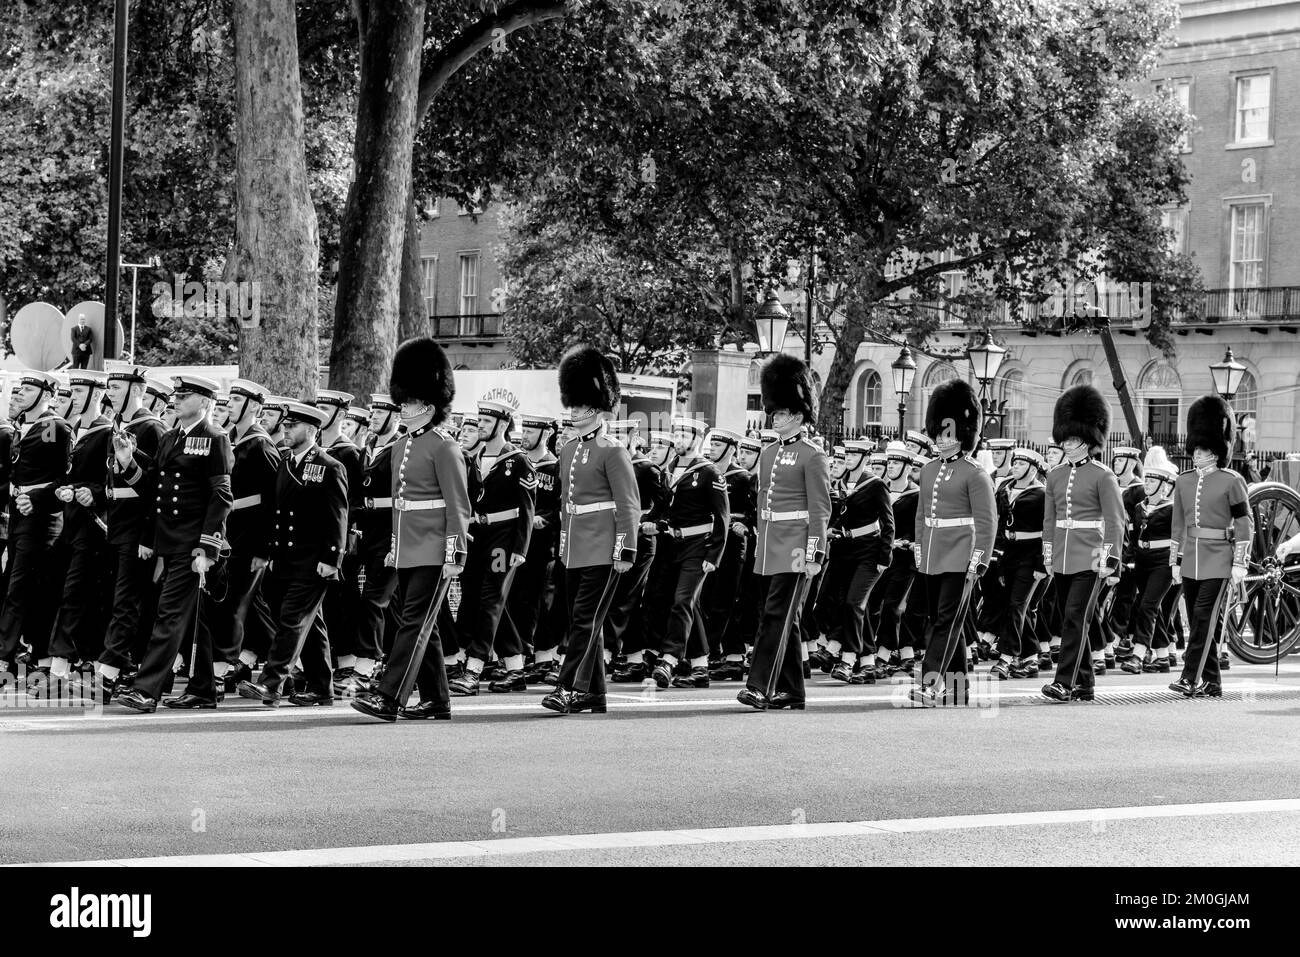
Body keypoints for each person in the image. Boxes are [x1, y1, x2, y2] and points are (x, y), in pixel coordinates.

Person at [352, 338, 469, 721]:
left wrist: (455, 553)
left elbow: (457, 506)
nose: (402, 407)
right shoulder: (403, 445)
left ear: (430, 406)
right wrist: (395, 546)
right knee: (423, 626)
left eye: (409, 402)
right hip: (408, 548)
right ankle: (437, 699)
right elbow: (402, 505)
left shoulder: (444, 447)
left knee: (414, 622)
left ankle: (390, 696)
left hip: (436, 548)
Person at [115, 374, 234, 713]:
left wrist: (207, 547)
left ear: (205, 402)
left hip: (192, 543)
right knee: (192, 619)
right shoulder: (170, 438)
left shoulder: (214, 437)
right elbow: (152, 487)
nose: (176, 399)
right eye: (176, 395)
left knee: (168, 616)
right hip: (170, 541)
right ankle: (203, 690)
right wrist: (127, 461)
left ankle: (146, 690)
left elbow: (221, 496)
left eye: (185, 395)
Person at [540, 346, 639, 716]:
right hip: (574, 548)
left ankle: (568, 687)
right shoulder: (568, 450)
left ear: (597, 409)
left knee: (585, 620)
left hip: (603, 549)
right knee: (583, 621)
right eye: (574, 405)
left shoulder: (613, 451)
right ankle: (593, 693)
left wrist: (626, 549)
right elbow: (566, 505)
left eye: (581, 406)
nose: (574, 411)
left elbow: (628, 504)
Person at [236, 402, 349, 708]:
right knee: (311, 626)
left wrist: (332, 558)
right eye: (285, 426)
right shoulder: (285, 463)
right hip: (284, 558)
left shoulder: (330, 465)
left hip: (314, 561)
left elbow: (337, 516)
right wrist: (263, 552)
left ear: (311, 430)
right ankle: (322, 688)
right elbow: (272, 511)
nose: (285, 430)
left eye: (292, 426)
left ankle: (272, 684)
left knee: (292, 619)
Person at [738, 354, 831, 712]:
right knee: (784, 618)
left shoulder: (813, 456)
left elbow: (820, 510)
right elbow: (763, 502)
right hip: (771, 545)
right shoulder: (768, 453)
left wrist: (813, 554)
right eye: (773, 412)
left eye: (778, 413)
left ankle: (760, 685)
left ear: (795, 414)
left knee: (776, 615)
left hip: (795, 545)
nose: (773, 417)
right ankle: (793, 691)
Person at [907, 380, 996, 706]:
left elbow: (987, 521)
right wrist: (919, 549)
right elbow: (921, 516)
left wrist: (979, 558)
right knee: (944, 621)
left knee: (946, 621)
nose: (942, 439)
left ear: (963, 434)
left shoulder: (975, 474)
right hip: (932, 554)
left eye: (948, 434)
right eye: (939, 433)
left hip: (961, 558)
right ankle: (959, 688)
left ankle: (931, 684)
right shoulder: (929, 470)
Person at [192, 378, 281, 702]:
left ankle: (220, 669)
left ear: (254, 407)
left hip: (249, 536)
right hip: (228, 533)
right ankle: (279, 664)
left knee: (232, 605)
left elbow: (273, 501)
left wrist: (264, 548)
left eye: (237, 400)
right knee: (247, 608)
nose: (229, 404)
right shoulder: (230, 439)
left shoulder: (261, 445)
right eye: (228, 399)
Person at [1040, 385, 1124, 703]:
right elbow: (1050, 520)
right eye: (1066, 439)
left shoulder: (1103, 476)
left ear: (1088, 440)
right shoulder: (1055, 476)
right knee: (1073, 618)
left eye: (1074, 440)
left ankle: (1063, 681)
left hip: (1091, 558)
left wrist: (1109, 559)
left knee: (1075, 616)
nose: (1068, 444)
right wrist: (1048, 554)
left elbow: (1115, 522)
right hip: (1062, 555)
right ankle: (1085, 684)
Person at [449, 400, 537, 695]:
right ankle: (515, 668)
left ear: (502, 425)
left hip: (504, 536)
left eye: (486, 422)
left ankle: (474, 669)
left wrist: (520, 548)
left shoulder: (518, 460)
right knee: (478, 599)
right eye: (480, 421)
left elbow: (527, 507)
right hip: (478, 535)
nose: (480, 427)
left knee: (490, 600)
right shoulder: (474, 457)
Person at [1168, 396, 1253, 698]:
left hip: (1219, 560)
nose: (1197, 454)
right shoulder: (1184, 481)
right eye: (1196, 448)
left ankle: (1190, 677)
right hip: (1191, 558)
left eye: (1203, 449)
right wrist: (1175, 561)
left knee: (1203, 618)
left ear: (1216, 451)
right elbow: (1178, 524)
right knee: (1201, 620)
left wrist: (1240, 562)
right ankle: (1212, 681)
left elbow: (1244, 523)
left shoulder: (1232, 481)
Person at [643, 416, 728, 689]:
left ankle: (668, 659)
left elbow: (722, 517)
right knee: (682, 603)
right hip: (671, 545)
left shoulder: (709, 472)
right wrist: (651, 523)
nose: (678, 440)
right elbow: (663, 508)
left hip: (698, 546)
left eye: (684, 435)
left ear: (697, 439)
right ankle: (701, 667)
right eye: (676, 434)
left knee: (682, 601)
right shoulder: (667, 470)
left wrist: (714, 555)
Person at [0, 372, 72, 685]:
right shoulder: (21, 426)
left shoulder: (54, 426)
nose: (22, 393)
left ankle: (4, 659)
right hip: (19, 513)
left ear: (46, 393)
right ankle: (34, 655)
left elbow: (65, 475)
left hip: (41, 518)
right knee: (20, 587)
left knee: (20, 589)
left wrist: (35, 498)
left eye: (29, 389)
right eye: (21, 388)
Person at [48, 370, 112, 683]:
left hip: (93, 525)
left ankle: (59, 666)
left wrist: (94, 493)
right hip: (71, 524)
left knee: (75, 593)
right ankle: (89, 656)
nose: (73, 397)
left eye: (80, 391)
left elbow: (110, 481)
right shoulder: (76, 427)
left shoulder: (107, 432)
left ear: (97, 395)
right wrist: (57, 489)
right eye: (72, 391)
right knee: (66, 589)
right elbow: (69, 474)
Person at [337, 394, 401, 696]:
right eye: (374, 411)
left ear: (396, 418)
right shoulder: (366, 450)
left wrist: (396, 539)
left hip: (389, 529)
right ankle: (357, 659)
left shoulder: (400, 448)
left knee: (376, 599)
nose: (374, 416)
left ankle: (365, 667)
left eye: (382, 412)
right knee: (352, 597)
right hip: (364, 528)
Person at [820, 438, 893, 682]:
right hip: (844, 550)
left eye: (853, 455)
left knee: (854, 603)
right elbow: (836, 514)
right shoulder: (839, 483)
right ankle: (868, 662)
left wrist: (885, 555)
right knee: (848, 605)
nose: (848, 459)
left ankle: (848, 658)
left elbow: (888, 522)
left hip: (869, 551)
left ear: (865, 458)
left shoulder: (875, 484)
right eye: (846, 455)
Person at [500, 414, 561, 691]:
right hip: (517, 543)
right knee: (515, 600)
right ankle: (521, 654)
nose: (524, 435)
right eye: (524, 430)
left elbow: (558, 507)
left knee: (540, 602)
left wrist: (543, 519)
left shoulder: (555, 467)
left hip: (542, 546)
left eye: (531, 431)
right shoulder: (520, 462)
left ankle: (544, 657)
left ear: (545, 433)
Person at [605, 419, 667, 682]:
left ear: (632, 436)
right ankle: (633, 660)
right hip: (615, 535)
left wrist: (647, 521)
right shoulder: (612, 462)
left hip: (640, 541)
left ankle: (606, 653)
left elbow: (665, 502)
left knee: (625, 598)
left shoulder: (646, 469)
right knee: (621, 599)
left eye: (621, 434)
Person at [990, 447, 1047, 679]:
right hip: (1010, 552)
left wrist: (1042, 564)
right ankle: (1031, 659)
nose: (1015, 467)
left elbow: (1048, 529)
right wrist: (1000, 559)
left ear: (1033, 469)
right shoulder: (1005, 489)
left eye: (1021, 464)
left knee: (1017, 605)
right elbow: (1001, 524)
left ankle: (1005, 658)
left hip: (1032, 554)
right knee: (1016, 607)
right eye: (1014, 463)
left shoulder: (1042, 493)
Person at [868, 443, 923, 679]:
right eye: (890, 463)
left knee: (892, 607)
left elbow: (920, 525)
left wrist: (908, 541)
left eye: (897, 463)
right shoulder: (879, 489)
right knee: (871, 606)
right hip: (880, 556)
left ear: (908, 467)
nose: (891, 467)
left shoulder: (917, 494)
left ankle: (883, 655)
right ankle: (873, 654)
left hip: (904, 559)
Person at [1122, 446, 1178, 675]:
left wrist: (1176, 564)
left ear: (1163, 486)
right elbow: (1133, 537)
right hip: (1143, 560)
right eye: (1146, 480)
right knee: (1153, 609)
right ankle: (1163, 656)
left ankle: (1138, 653)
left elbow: (1178, 539)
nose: (1147, 484)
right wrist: (1129, 560)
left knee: (1147, 606)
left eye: (1152, 482)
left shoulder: (1172, 508)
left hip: (1163, 562)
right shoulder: (1139, 507)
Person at [711, 433, 761, 681]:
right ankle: (721, 651)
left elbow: (758, 509)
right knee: (714, 598)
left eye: (718, 445)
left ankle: (734, 656)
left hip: (734, 543)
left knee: (730, 599)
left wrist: (748, 525)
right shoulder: (711, 473)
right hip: (713, 541)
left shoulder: (743, 478)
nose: (712, 449)